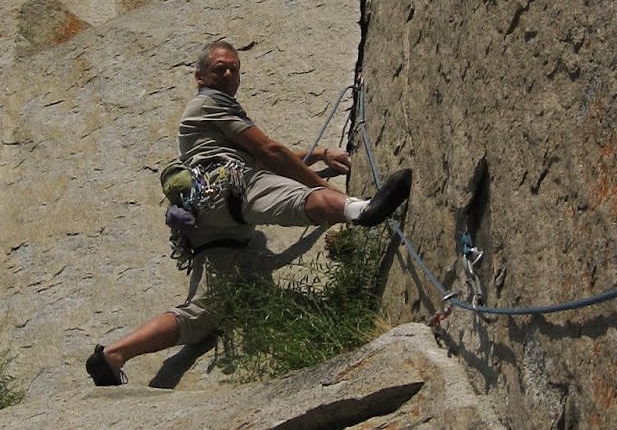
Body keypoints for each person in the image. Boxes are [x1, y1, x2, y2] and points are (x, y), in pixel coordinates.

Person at [86, 38, 412, 385]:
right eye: (219, 69)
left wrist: (318, 154)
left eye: (234, 69)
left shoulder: (207, 117)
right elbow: (269, 153)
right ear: (200, 77)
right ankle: (361, 210)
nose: (228, 74)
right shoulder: (212, 102)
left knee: (202, 314)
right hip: (228, 187)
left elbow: (258, 155)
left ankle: (113, 355)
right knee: (296, 198)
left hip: (206, 220)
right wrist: (329, 190)